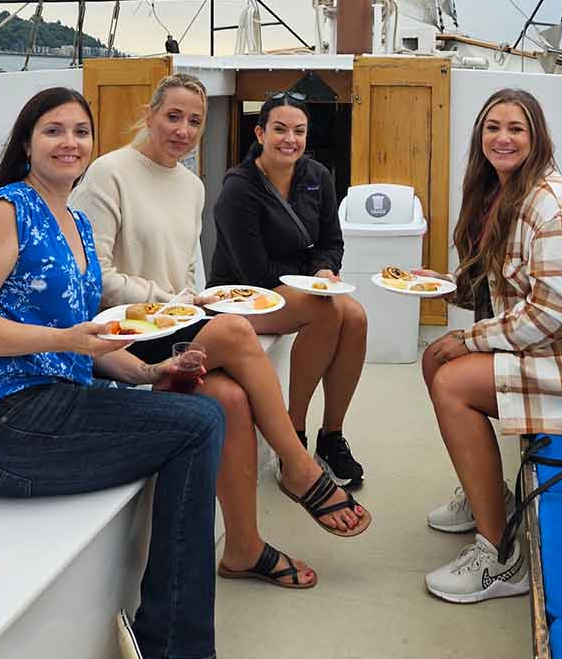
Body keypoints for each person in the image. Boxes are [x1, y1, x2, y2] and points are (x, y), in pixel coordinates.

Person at [0, 86, 223, 659]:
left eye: (80, 132)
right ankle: (166, 650)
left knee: (200, 413)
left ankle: (168, 640)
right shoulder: (4, 212)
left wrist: (153, 372)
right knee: (200, 425)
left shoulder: (77, 225)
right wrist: (66, 338)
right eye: (53, 131)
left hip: (53, 404)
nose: (70, 143)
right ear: (27, 143)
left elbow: (89, 344)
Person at [71, 75, 370, 587]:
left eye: (194, 121)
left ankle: (243, 550)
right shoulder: (109, 173)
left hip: (177, 323)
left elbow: (186, 271)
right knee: (233, 331)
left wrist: (188, 301)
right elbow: (93, 280)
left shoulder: (191, 184)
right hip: (123, 334)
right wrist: (173, 303)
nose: (183, 130)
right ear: (149, 114)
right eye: (173, 117)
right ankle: (299, 466)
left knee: (229, 399)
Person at [422, 88, 562, 606]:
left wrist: (468, 338)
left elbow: (555, 313)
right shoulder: (500, 193)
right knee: (435, 357)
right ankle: (489, 497)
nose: (502, 138)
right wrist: (439, 284)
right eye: (493, 127)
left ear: (536, 138)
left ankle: (500, 557)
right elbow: (500, 289)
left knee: (449, 377)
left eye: (516, 129)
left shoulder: (552, 205)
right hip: (553, 340)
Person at [210, 91, 368, 490]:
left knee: (356, 317)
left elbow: (332, 241)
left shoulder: (318, 177)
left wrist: (324, 270)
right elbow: (256, 272)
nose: (289, 139)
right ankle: (292, 437)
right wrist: (312, 279)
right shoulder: (238, 190)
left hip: (296, 288)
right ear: (260, 133)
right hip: (242, 295)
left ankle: (331, 436)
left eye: (298, 131)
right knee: (327, 310)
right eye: (279, 129)